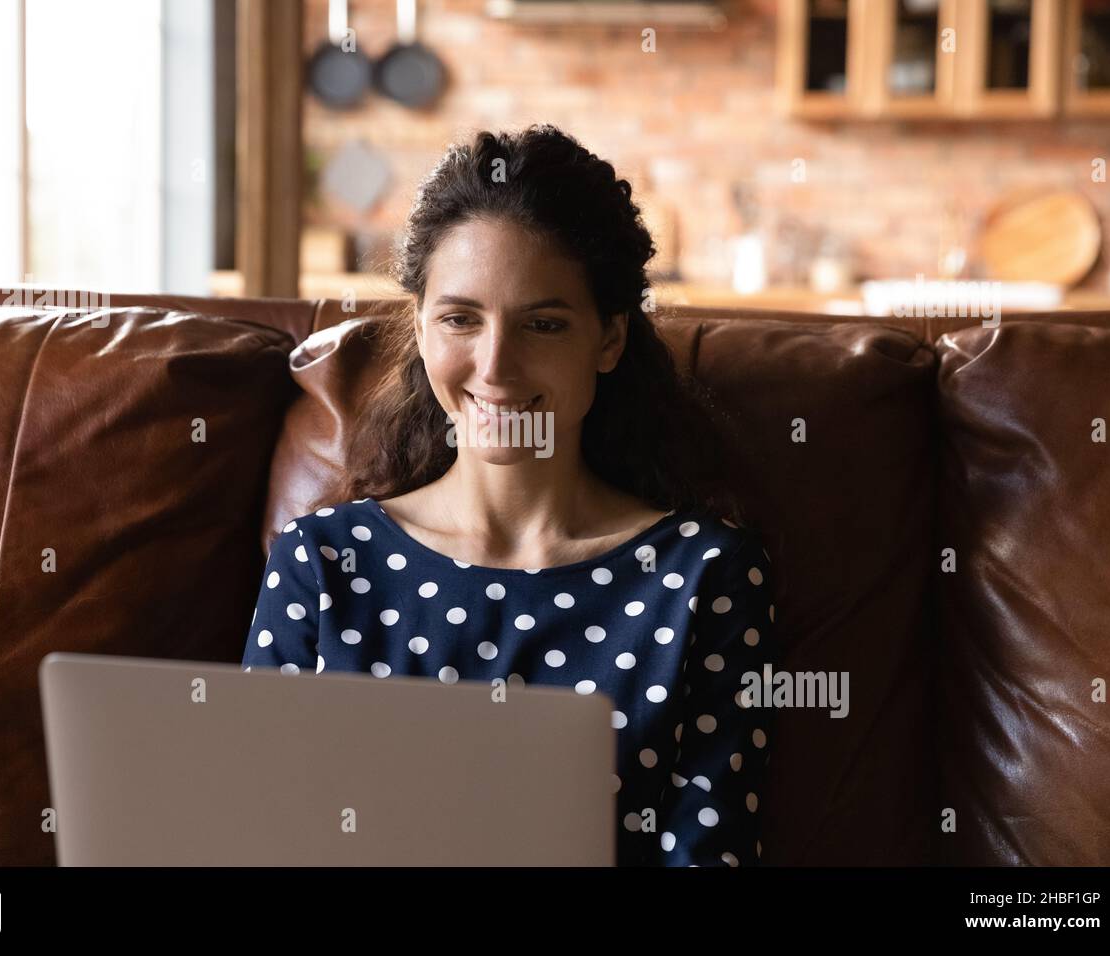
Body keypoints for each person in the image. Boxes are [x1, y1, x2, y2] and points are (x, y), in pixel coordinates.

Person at [243, 124, 778, 867]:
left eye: (544, 324)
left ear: (609, 339)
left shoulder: (703, 578)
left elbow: (711, 855)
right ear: (423, 329)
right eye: (461, 318)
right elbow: (263, 840)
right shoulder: (323, 565)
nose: (495, 368)